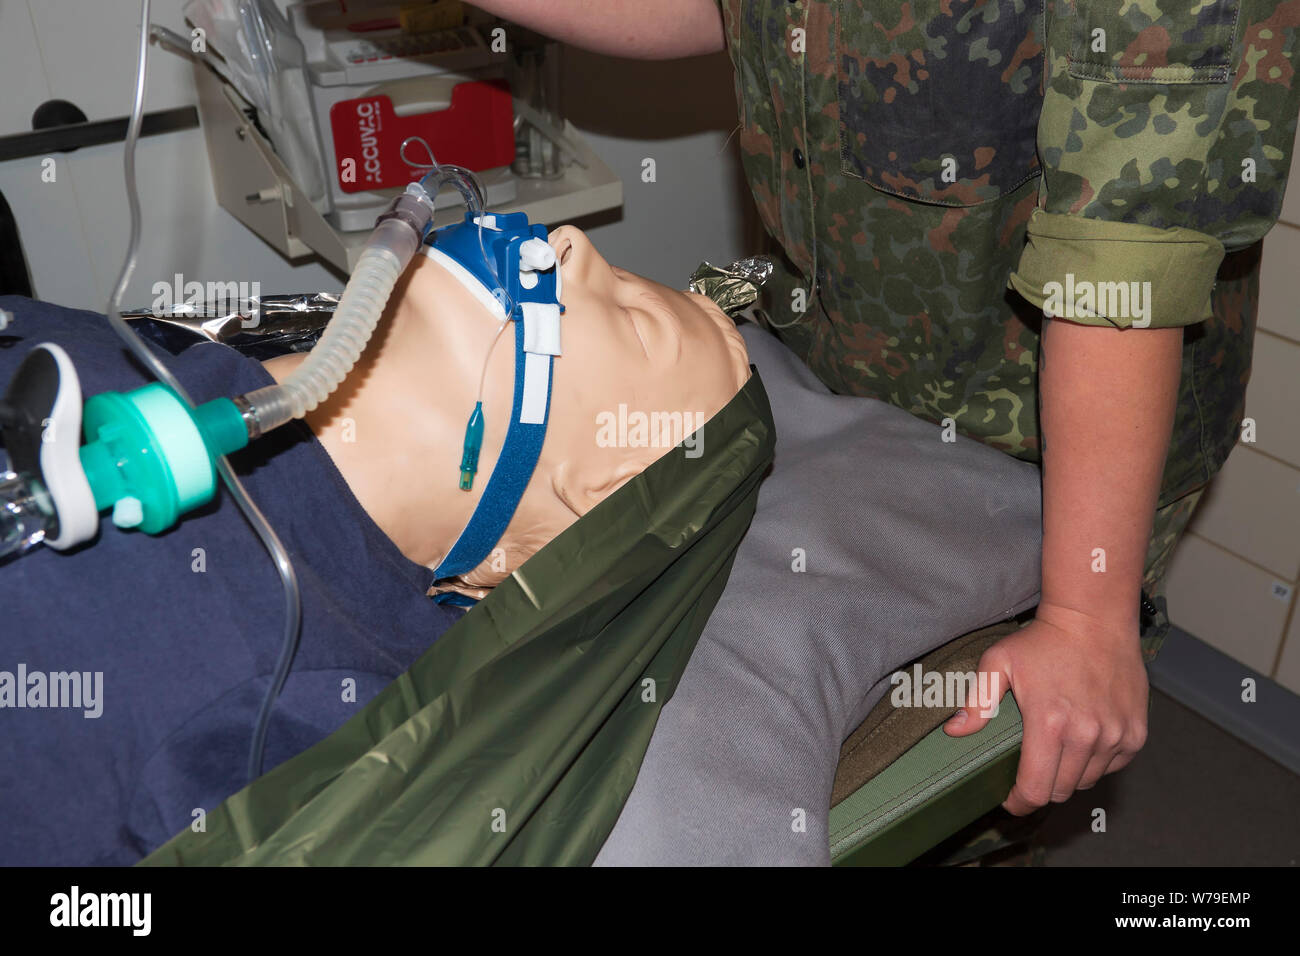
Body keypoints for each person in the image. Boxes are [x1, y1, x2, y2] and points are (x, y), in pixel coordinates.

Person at [470, 0, 1300, 836]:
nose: (570, 252)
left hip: (1038, 445)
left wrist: (1085, 619)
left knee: (957, 771)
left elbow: (1124, 256)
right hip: (829, 372)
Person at [0, 223, 751, 864]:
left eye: (633, 317)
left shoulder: (289, 704)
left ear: (596, 492)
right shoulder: (147, 351)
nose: (571, 241)